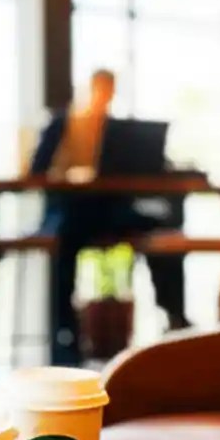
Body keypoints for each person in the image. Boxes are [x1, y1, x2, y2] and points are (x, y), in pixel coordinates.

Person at [28, 69, 188, 368]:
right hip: (69, 209)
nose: (103, 98)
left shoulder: (120, 132)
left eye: (109, 92)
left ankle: (174, 314)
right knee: (67, 236)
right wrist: (69, 175)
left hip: (108, 209)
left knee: (164, 231)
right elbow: (36, 171)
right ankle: (65, 335)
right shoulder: (62, 124)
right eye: (99, 90)